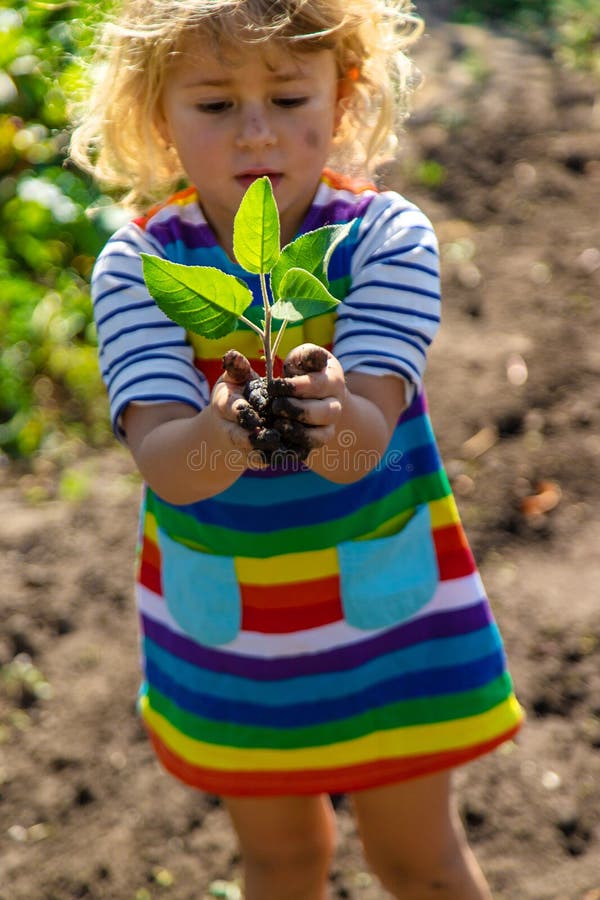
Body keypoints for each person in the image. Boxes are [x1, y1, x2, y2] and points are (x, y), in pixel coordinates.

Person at [71, 1, 523, 897]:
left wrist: (320, 400)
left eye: (285, 97)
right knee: (280, 860)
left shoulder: (383, 240)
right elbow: (170, 464)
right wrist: (225, 426)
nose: (254, 134)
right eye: (213, 105)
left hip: (387, 630)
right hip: (239, 639)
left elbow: (358, 446)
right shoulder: (144, 267)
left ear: (344, 98)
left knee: (420, 861)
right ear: (158, 114)